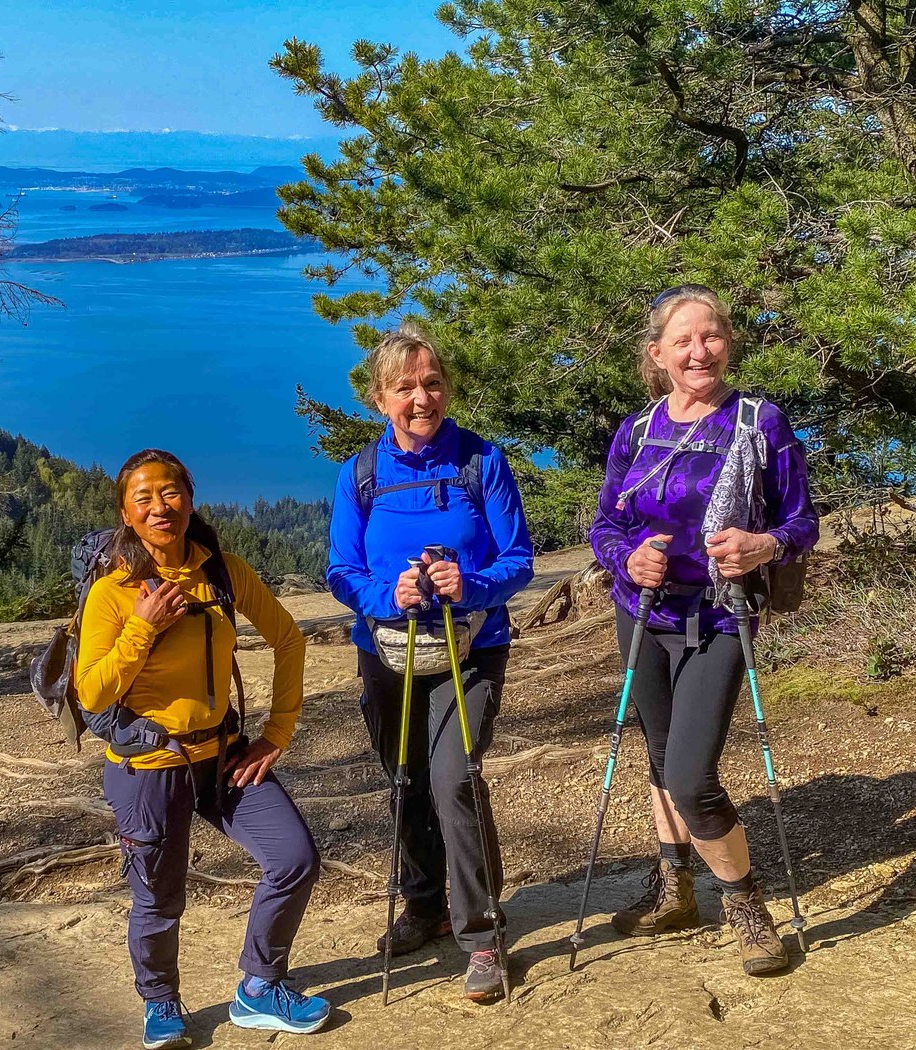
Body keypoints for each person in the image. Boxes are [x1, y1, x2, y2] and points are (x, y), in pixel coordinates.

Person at [588, 285, 820, 975]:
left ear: (728, 342)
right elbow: (606, 524)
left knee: (691, 776)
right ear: (656, 354)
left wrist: (763, 545)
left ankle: (745, 904)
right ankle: (674, 889)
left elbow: (802, 522)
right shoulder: (636, 431)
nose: (700, 352)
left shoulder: (758, 423)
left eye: (711, 335)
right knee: (662, 759)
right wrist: (627, 559)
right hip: (642, 611)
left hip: (720, 614)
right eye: (683, 341)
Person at [75, 449, 329, 1049]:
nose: (159, 507)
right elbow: (92, 692)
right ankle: (160, 1001)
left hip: (224, 757)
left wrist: (277, 733)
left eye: (170, 493)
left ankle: (260, 986)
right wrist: (143, 627)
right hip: (148, 767)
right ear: (125, 515)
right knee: (158, 899)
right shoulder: (112, 592)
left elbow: (289, 639)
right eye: (143, 498)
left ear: (190, 500)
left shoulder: (224, 573)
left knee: (293, 857)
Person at [327, 323, 534, 1002]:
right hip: (386, 651)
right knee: (405, 778)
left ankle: (481, 935)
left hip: (470, 646)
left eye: (433, 383)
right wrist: (388, 594)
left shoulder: (481, 462)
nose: (422, 398)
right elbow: (341, 570)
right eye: (405, 387)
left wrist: (467, 585)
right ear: (379, 398)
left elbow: (518, 561)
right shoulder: (360, 474)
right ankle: (423, 906)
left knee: (454, 779)